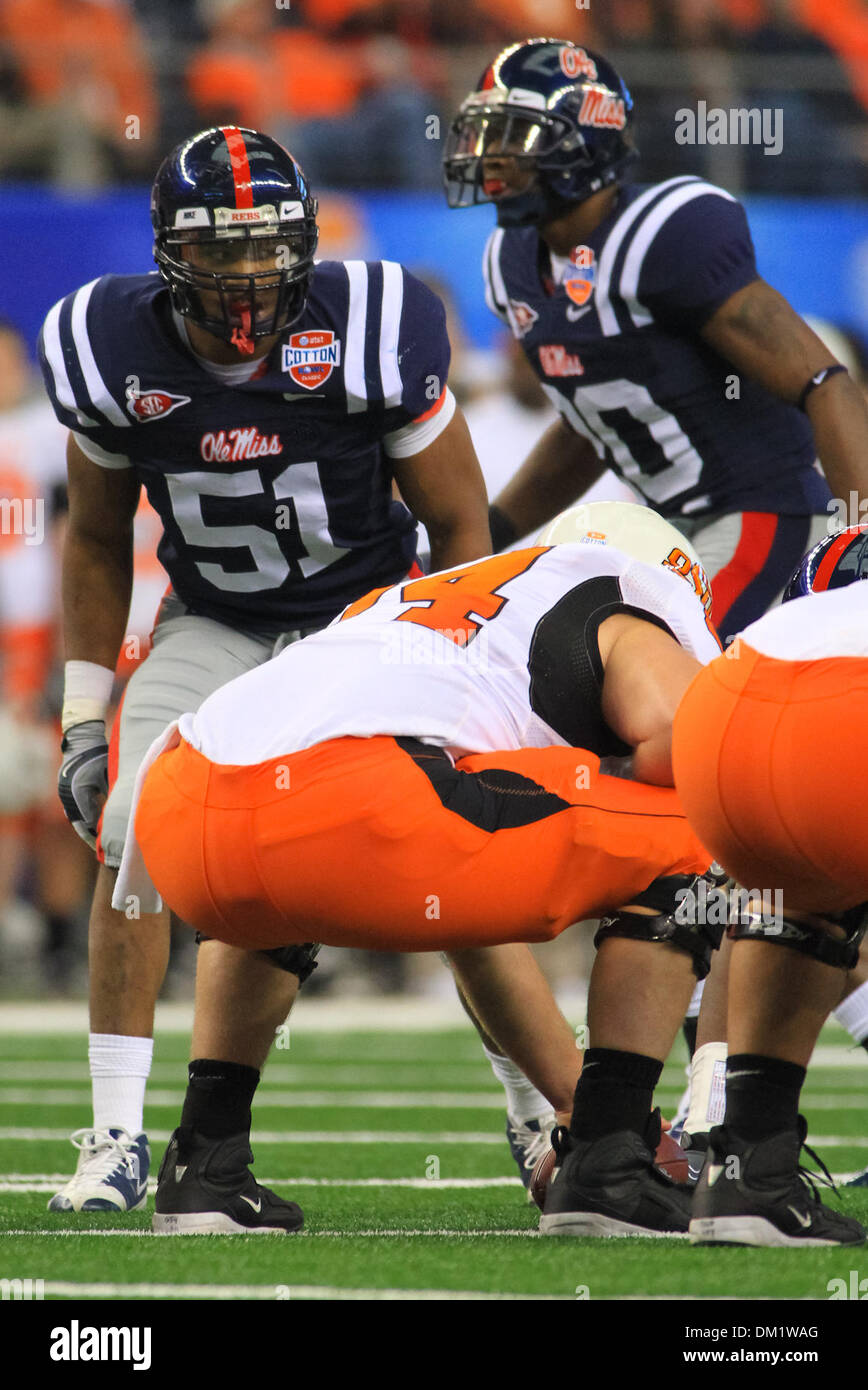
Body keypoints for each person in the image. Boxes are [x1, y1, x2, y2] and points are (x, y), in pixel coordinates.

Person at [38, 124, 491, 1227]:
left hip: (366, 619)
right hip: (218, 619)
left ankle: (550, 1123)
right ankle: (113, 1140)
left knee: (451, 859)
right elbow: (96, 540)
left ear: (302, 241)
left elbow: (458, 518)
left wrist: (465, 667)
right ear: (168, 249)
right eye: (221, 245)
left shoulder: (373, 326)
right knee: (134, 818)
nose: (248, 270)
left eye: (266, 243)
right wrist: (85, 712)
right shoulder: (111, 348)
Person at [443, 35, 868, 1145]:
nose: (492, 161)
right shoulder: (516, 266)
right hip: (661, 536)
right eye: (484, 137)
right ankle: (704, 1075)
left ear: (583, 147)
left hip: (760, 514)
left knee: (699, 790)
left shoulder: (664, 237)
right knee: (688, 798)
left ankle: (713, 1094)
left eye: (515, 139)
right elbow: (585, 433)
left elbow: (820, 375)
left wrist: (862, 525)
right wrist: (480, 540)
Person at [115, 500, 726, 1237]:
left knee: (289, 863)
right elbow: (693, 744)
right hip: (350, 800)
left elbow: (466, 912)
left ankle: (204, 1165)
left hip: (186, 807)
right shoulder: (621, 593)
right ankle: (610, 1161)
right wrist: (608, 772)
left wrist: (570, 1105)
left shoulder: (410, 609)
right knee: (696, 828)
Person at [673, 524, 868, 1245]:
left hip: (722, 714)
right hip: (843, 716)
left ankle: (751, 1174)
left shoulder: (815, 601)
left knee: (792, 897)